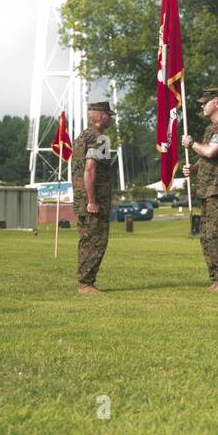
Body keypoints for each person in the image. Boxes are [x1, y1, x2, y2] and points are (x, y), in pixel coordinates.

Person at [181, 87, 218, 291]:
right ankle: (216, 278)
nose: (202, 106)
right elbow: (205, 156)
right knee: (206, 236)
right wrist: (194, 168)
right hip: (208, 189)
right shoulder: (210, 129)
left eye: (205, 102)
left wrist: (191, 143)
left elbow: (212, 151)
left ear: (217, 102)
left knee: (217, 234)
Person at [72, 101, 116, 294]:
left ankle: (85, 281)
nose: (110, 118)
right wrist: (92, 201)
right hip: (93, 201)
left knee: (86, 239)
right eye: (108, 114)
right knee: (95, 241)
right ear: (99, 116)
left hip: (81, 199)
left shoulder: (81, 137)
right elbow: (90, 170)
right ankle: (86, 284)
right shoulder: (100, 139)